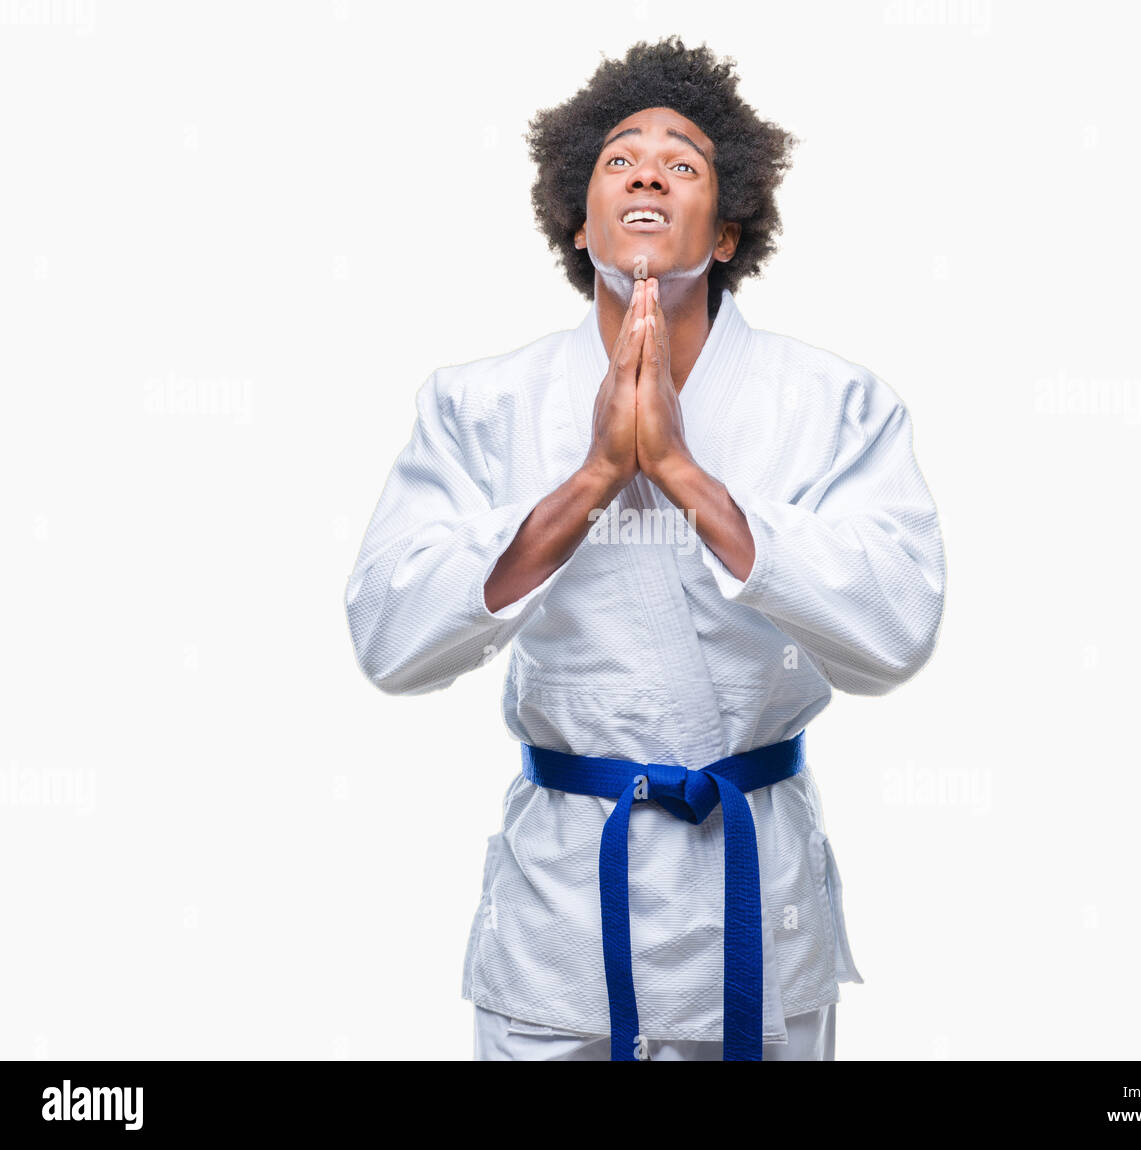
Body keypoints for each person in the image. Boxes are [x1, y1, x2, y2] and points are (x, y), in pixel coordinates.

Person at [343, 36, 946, 1061]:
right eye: (620, 157)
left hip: (754, 910)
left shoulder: (837, 403)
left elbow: (895, 632)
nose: (650, 171)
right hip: (563, 920)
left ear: (724, 236)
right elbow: (389, 639)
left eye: (685, 161)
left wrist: (685, 477)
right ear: (579, 226)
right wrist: (586, 483)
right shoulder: (477, 403)